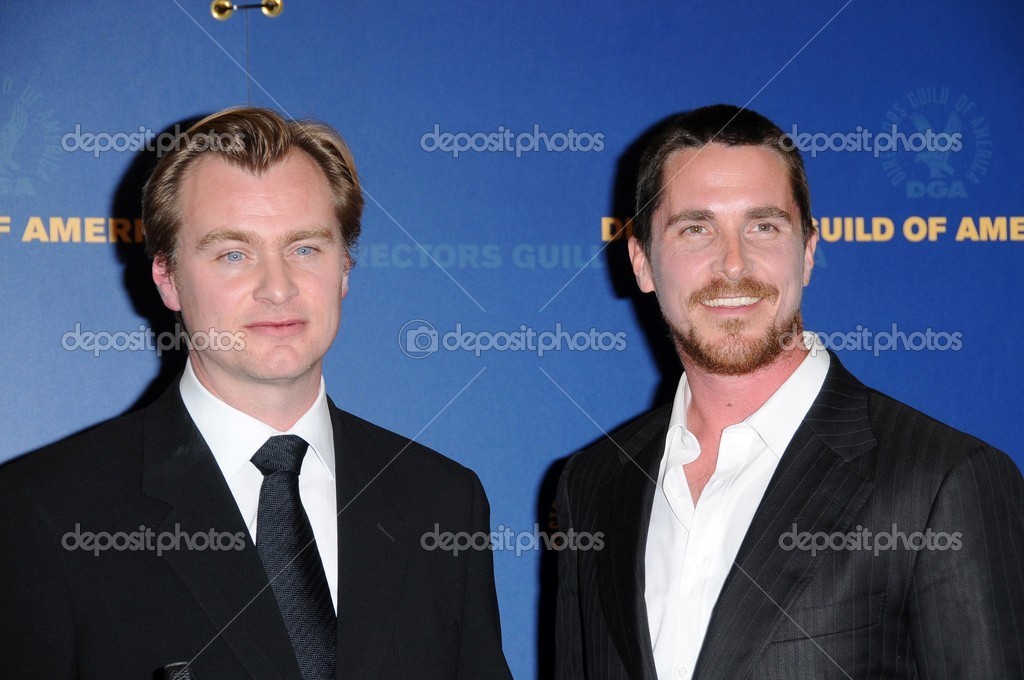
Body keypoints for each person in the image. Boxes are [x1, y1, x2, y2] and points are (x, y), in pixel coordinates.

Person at [0, 107, 512, 679]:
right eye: (234, 254)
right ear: (167, 277)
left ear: (345, 268)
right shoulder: (46, 512)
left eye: (305, 249)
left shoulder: (441, 500)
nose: (277, 287)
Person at [555, 104, 1024, 679]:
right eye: (696, 228)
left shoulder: (941, 482)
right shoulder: (594, 482)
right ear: (642, 263)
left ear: (806, 253)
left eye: (763, 226)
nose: (733, 264)